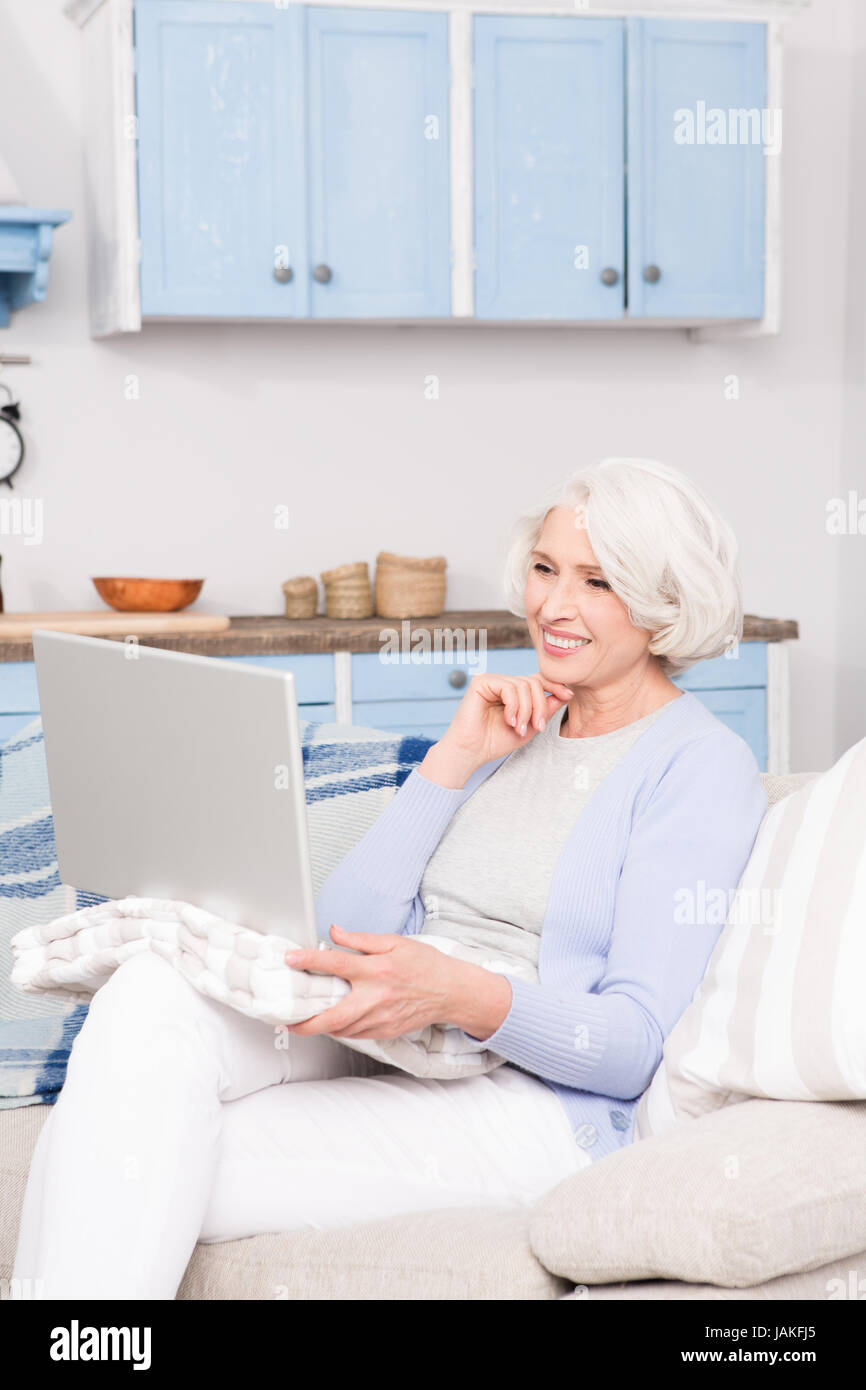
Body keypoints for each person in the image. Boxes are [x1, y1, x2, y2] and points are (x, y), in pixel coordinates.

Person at [13, 457, 768, 1299]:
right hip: (399, 1042)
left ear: (665, 605)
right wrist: (452, 761)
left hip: (539, 1106)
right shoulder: (516, 726)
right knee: (149, 991)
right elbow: (340, 933)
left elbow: (630, 1044)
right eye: (546, 569)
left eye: (598, 582)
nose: (554, 605)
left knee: (132, 1145)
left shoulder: (699, 764)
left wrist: (459, 993)